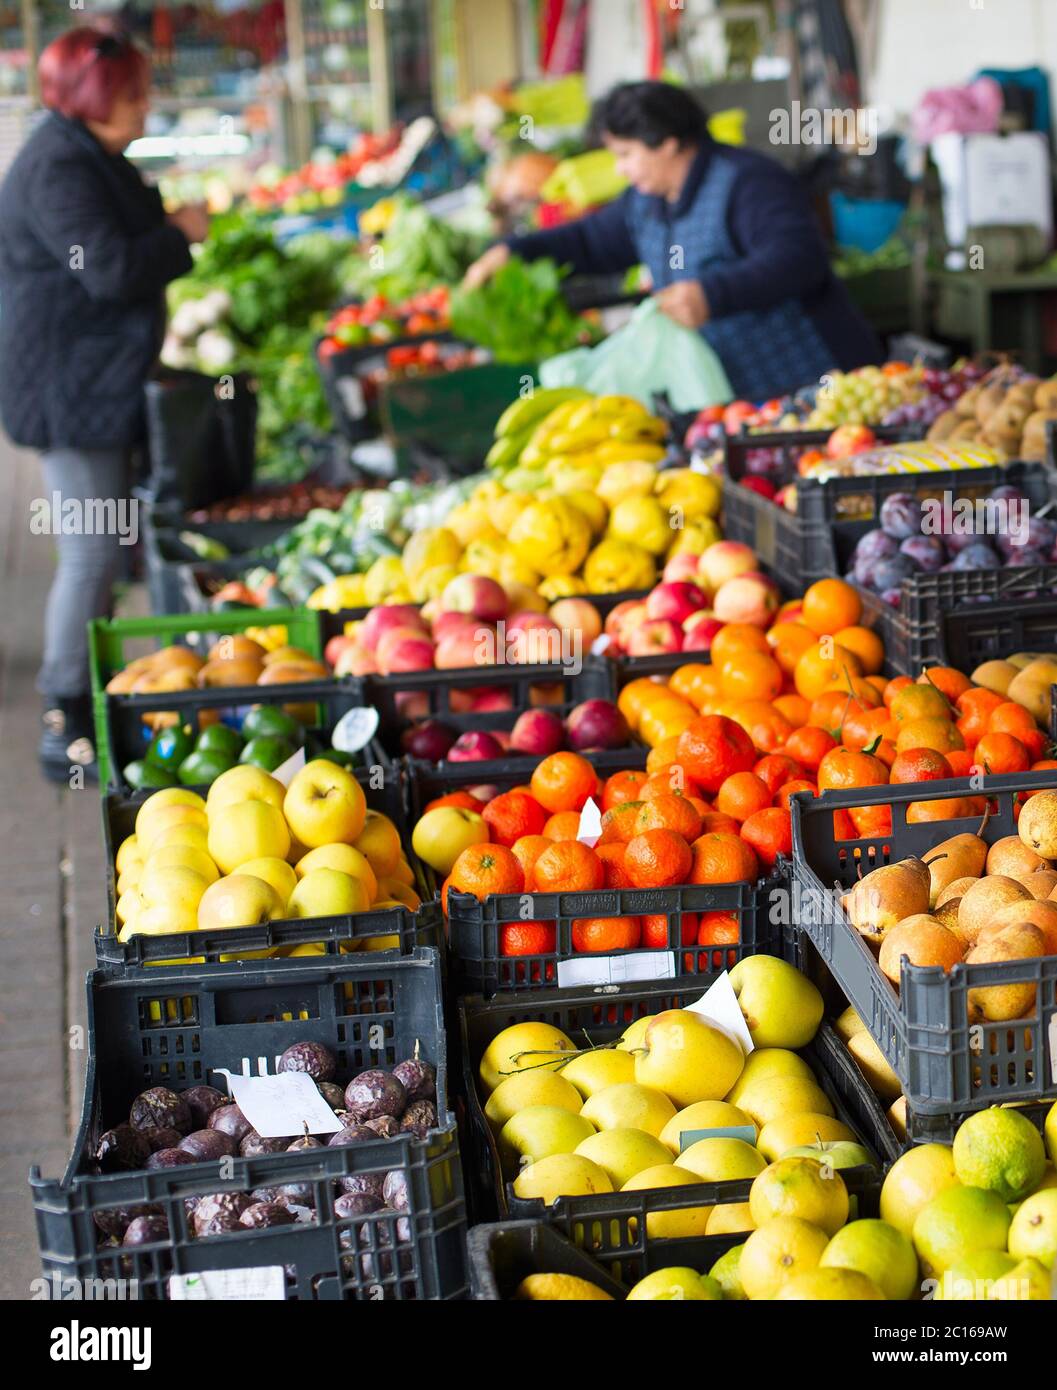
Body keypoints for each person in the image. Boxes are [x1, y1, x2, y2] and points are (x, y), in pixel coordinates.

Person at [0, 24, 209, 781]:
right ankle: (65, 720)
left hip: (92, 381)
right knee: (90, 549)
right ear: (95, 99)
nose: (147, 109)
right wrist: (181, 231)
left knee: (102, 546)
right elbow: (112, 271)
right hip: (70, 390)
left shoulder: (84, 151)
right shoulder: (58, 165)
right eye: (136, 96)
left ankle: (97, 696)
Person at [465, 81, 880, 401]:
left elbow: (798, 259)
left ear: (666, 141)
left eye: (626, 154)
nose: (621, 169)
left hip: (820, 379)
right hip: (742, 396)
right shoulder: (646, 202)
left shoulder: (747, 181)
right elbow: (589, 241)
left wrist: (712, 294)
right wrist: (513, 251)